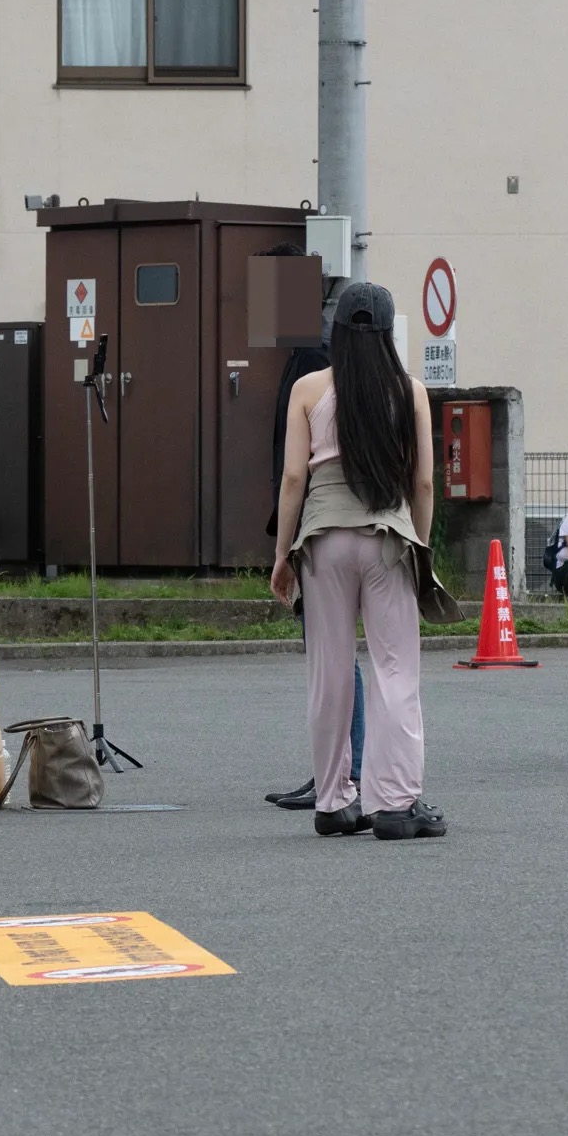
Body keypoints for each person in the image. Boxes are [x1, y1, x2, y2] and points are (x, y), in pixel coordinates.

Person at [269, 280, 445, 842]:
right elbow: (422, 479)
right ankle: (395, 804)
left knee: (330, 672)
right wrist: (419, 546)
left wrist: (282, 555)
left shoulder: (306, 388)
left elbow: (294, 477)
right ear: (389, 333)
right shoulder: (408, 389)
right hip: (386, 536)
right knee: (395, 670)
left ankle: (333, 800)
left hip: (322, 539)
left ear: (336, 331)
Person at [260, 265, 367, 813]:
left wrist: (285, 541)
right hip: (364, 526)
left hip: (321, 522)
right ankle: (355, 772)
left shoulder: (311, 362)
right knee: (357, 655)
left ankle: (344, 772)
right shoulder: (311, 355)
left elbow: (297, 467)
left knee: (333, 654)